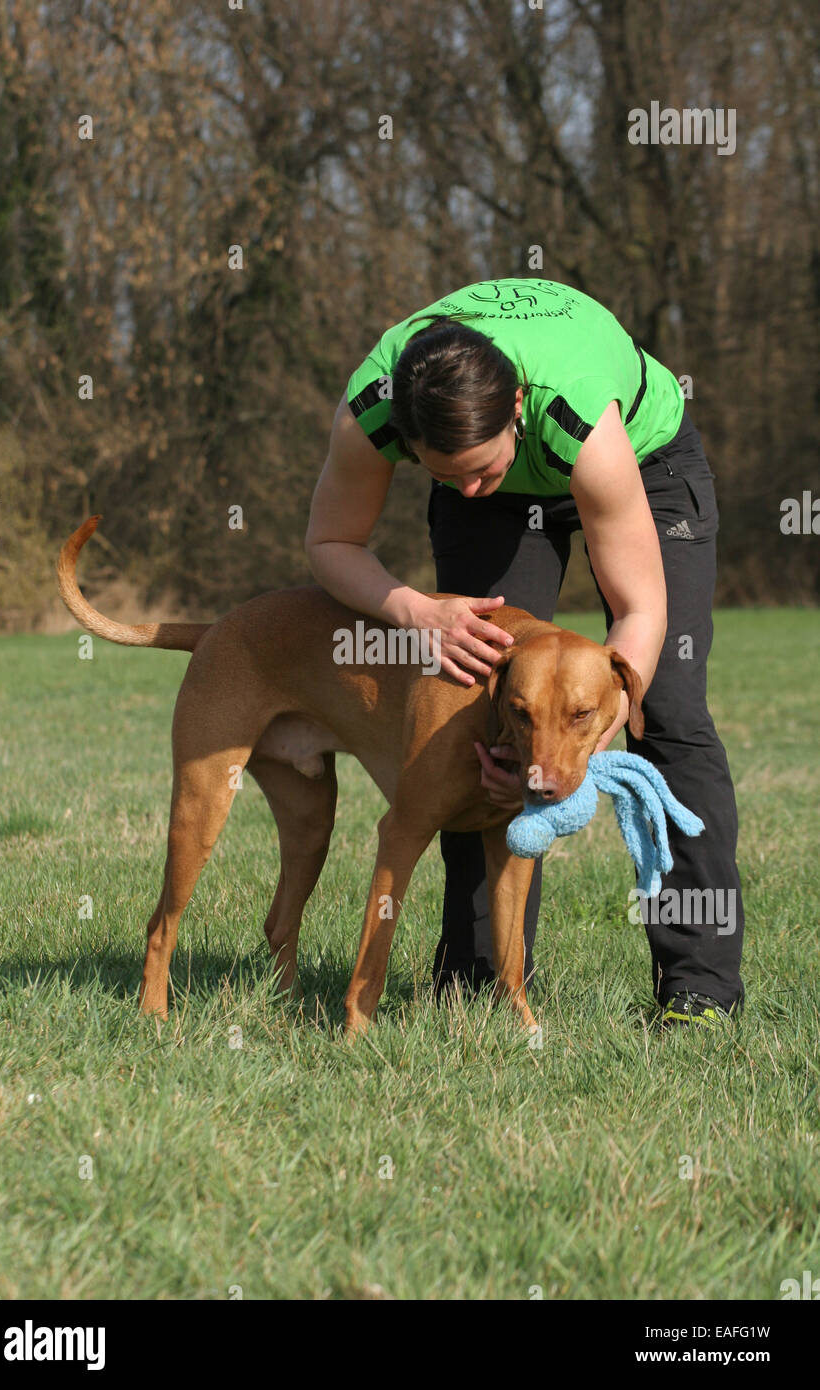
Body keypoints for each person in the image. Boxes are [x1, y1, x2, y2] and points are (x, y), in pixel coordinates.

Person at [305, 277, 743, 1029]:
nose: (467, 490)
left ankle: (698, 989)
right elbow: (330, 544)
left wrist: (594, 731)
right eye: (444, 477)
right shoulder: (374, 407)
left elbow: (641, 610)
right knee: (478, 700)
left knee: (662, 708)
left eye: (477, 466)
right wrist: (416, 611)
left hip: (645, 463)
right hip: (519, 471)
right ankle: (478, 983)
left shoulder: (576, 408)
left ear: (514, 409)